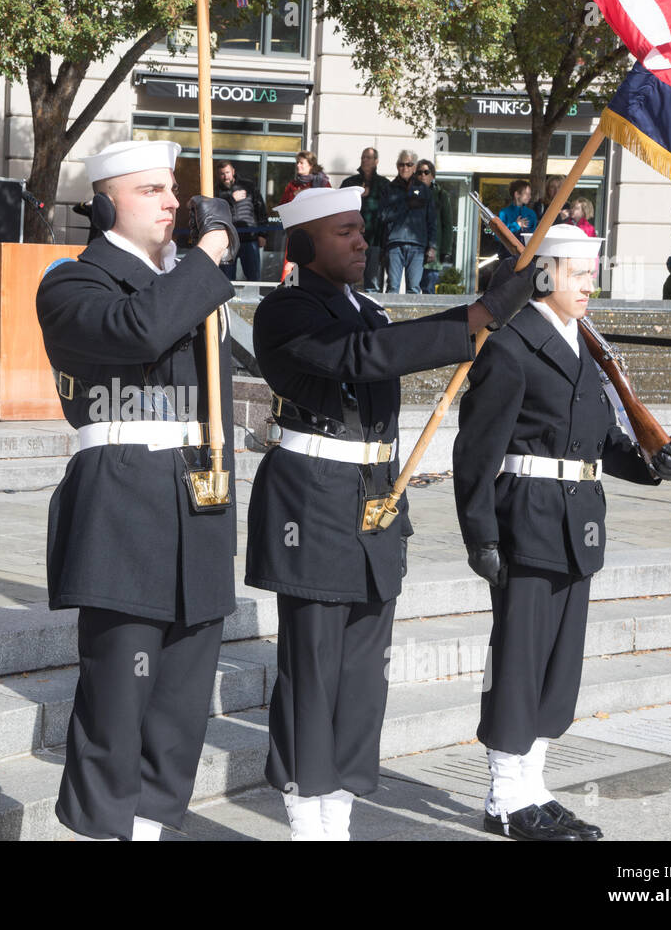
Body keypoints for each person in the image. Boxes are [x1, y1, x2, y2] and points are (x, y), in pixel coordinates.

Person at [245, 186, 539, 840]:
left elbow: (407, 344)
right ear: (305, 244)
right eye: (344, 231)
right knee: (314, 670)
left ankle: (340, 812)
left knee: (362, 675)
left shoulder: (368, 308)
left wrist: (504, 308)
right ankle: (306, 815)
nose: (360, 241)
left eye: (360, 230)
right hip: (312, 495)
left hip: (375, 494)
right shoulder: (287, 311)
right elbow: (362, 358)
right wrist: (484, 308)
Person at [453, 223, 671, 841]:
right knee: (520, 660)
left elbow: (602, 439)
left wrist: (652, 463)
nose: (591, 283)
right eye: (580, 273)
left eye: (593, 272)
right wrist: (479, 532)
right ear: (545, 274)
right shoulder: (510, 345)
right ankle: (505, 796)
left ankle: (534, 786)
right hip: (526, 517)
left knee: (558, 668)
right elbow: (476, 449)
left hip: (578, 521)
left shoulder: (582, 344)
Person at [35, 139, 238, 841]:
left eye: (173, 189)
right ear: (102, 205)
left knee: (181, 712)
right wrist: (208, 256)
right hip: (122, 510)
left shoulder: (190, 282)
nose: (173, 201)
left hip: (197, 507)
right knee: (115, 707)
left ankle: (152, 831)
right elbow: (140, 329)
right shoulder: (72, 283)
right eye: (151, 189)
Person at [378, 149, 437, 294]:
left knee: (414, 289)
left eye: (409, 164)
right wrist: (406, 204)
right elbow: (382, 216)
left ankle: (415, 318)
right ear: (397, 166)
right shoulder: (388, 189)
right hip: (394, 243)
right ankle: (387, 317)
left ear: (415, 167)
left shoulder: (424, 190)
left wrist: (432, 246)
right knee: (392, 287)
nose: (405, 168)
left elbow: (432, 221)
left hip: (417, 245)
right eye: (401, 164)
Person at [341, 147, 391, 294]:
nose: (364, 160)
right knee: (349, 281)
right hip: (351, 240)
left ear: (376, 161)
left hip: (375, 240)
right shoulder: (350, 183)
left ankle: (372, 314)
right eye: (363, 157)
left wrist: (385, 242)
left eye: (368, 157)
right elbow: (340, 209)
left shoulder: (384, 184)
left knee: (372, 283)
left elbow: (388, 214)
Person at [216, 159, 269, 282]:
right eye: (222, 174)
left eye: (227, 172)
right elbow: (214, 211)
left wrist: (263, 234)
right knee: (226, 278)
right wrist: (231, 199)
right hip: (228, 241)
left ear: (233, 171)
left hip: (249, 238)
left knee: (253, 277)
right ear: (218, 175)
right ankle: (228, 302)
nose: (225, 177)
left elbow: (260, 208)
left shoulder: (248, 186)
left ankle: (254, 301)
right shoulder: (216, 191)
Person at [416, 160, 455, 294]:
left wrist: (446, 250)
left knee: (428, 288)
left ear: (432, 175)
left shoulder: (441, 195)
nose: (422, 175)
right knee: (414, 288)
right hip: (415, 249)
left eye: (426, 172)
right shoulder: (412, 194)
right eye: (419, 172)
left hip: (434, 252)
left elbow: (447, 224)